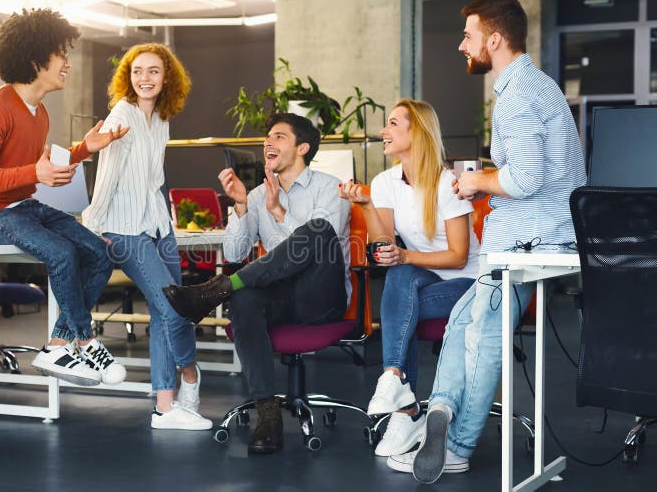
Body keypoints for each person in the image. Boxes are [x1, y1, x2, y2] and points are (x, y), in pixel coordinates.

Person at [386, 0, 585, 483]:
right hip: (532, 235)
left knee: (483, 338)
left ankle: (456, 446)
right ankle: (442, 409)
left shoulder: (517, 95)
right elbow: (533, 171)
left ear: (494, 39)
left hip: (527, 243)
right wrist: (489, 181)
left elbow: (526, 179)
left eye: (468, 36)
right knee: (460, 323)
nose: (462, 45)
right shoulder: (537, 86)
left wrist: (478, 181)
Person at [162, 113, 351, 454]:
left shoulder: (330, 188)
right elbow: (235, 252)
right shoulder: (258, 193)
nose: (268, 142)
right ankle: (267, 413)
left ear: (302, 148)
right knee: (244, 297)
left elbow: (320, 245)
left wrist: (278, 212)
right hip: (281, 300)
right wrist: (240, 205)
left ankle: (213, 292)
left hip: (321, 299)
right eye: (267, 136)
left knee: (318, 229)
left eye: (279, 136)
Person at [0, 9, 128, 387]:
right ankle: (83, 339)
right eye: (60, 55)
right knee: (62, 252)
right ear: (36, 59)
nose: (67, 63)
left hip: (23, 207)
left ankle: (57, 345)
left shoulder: (40, 113)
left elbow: (41, 166)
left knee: (100, 253)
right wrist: (34, 174)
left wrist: (85, 148)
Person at [81, 43, 212, 430]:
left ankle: (164, 406)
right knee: (172, 308)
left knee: (169, 309)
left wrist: (166, 222)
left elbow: (154, 181)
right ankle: (188, 380)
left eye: (153, 71)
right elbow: (106, 173)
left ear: (167, 77)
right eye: (137, 71)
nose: (145, 78)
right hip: (124, 227)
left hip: (157, 224)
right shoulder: (121, 114)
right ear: (128, 77)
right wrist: (94, 226)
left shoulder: (161, 119)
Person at [339, 98, 479, 459]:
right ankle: (397, 386)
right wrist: (366, 207)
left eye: (392, 124)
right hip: (424, 277)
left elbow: (459, 256)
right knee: (400, 278)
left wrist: (404, 255)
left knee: (402, 304)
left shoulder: (447, 183)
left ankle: (405, 409)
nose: (383, 131)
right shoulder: (384, 182)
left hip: (468, 283)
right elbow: (384, 244)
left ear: (416, 131)